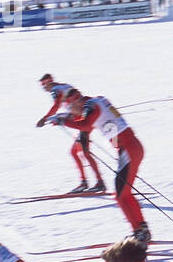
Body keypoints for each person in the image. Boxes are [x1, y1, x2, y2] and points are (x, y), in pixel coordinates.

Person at [46, 89, 150, 243]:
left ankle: (139, 233)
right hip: (130, 149)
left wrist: (63, 121)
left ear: (75, 102)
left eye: (70, 108)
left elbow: (86, 124)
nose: (73, 112)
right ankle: (141, 229)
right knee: (124, 193)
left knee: (120, 196)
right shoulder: (97, 101)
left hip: (129, 149)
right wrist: (120, 151)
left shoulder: (90, 106)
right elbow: (97, 125)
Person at [36, 74, 105, 192]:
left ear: (49, 82)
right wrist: (62, 117)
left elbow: (56, 105)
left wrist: (45, 118)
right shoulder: (63, 86)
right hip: (83, 117)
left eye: (43, 84)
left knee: (83, 153)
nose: (43, 88)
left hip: (84, 121)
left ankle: (96, 183)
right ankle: (87, 182)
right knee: (75, 152)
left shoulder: (55, 90)